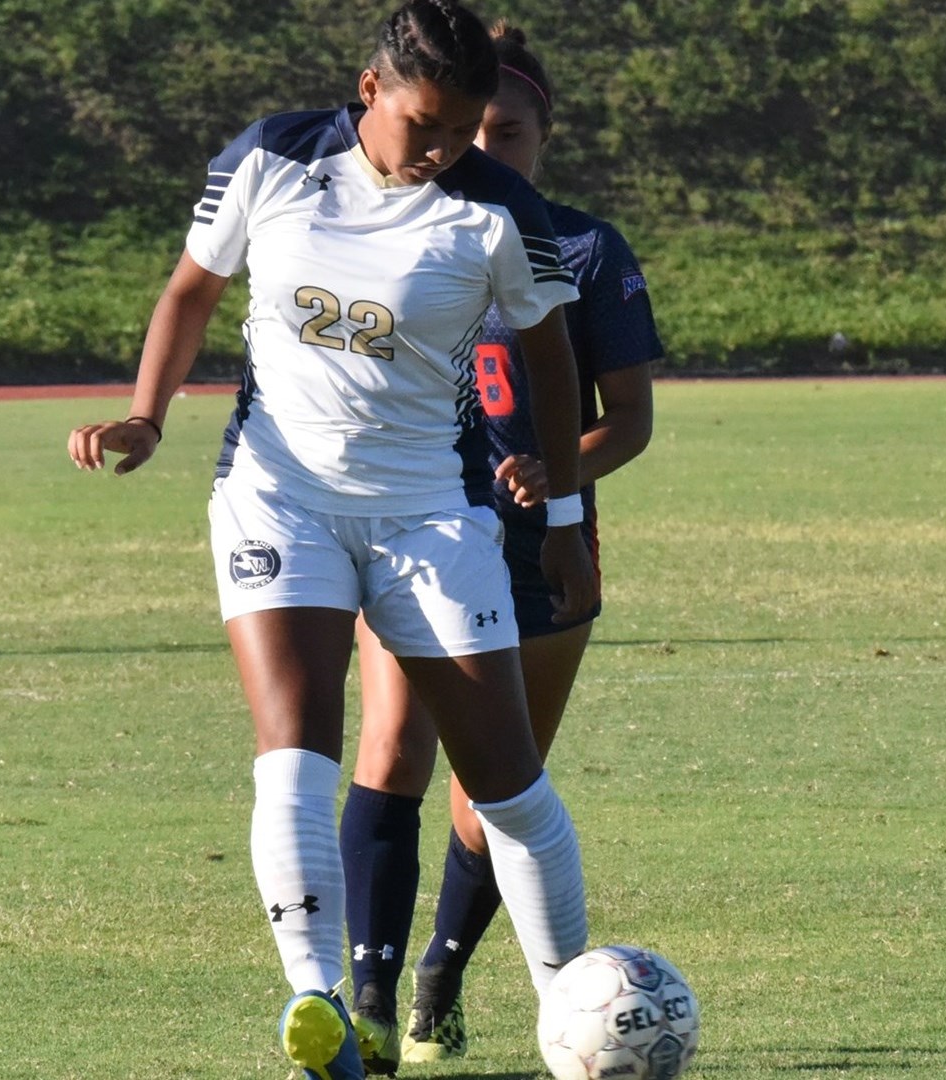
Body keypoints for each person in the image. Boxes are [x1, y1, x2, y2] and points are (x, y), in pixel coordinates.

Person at [65, 4, 595, 1078]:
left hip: (431, 512)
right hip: (279, 497)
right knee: (296, 749)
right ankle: (318, 1007)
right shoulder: (273, 159)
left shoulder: (497, 210)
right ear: (369, 89)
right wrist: (147, 417)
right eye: (423, 124)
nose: (441, 149)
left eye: (462, 130)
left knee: (507, 781)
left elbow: (550, 352)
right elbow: (192, 290)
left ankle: (574, 1012)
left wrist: (558, 492)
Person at [335, 20, 661, 1069]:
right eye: (469, 130)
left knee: (497, 785)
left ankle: (440, 977)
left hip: (544, 548)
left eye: (505, 132)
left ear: (541, 135)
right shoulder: (391, 236)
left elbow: (630, 421)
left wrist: (560, 475)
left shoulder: (586, 249)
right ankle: (368, 998)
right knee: (392, 747)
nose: (481, 151)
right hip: (417, 528)